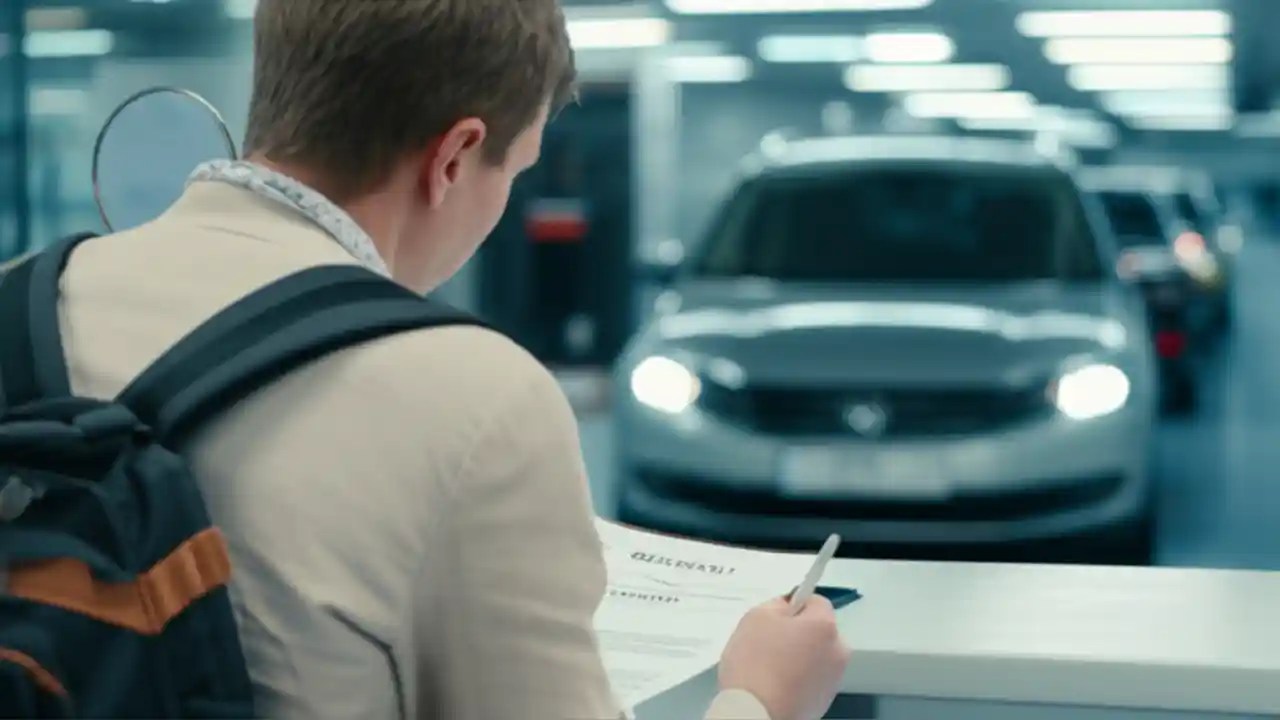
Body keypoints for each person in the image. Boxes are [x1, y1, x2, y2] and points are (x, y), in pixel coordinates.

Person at [54, 1, 851, 718]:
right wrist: (761, 699)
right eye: (518, 168)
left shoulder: (23, 301)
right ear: (455, 157)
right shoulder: (475, 396)